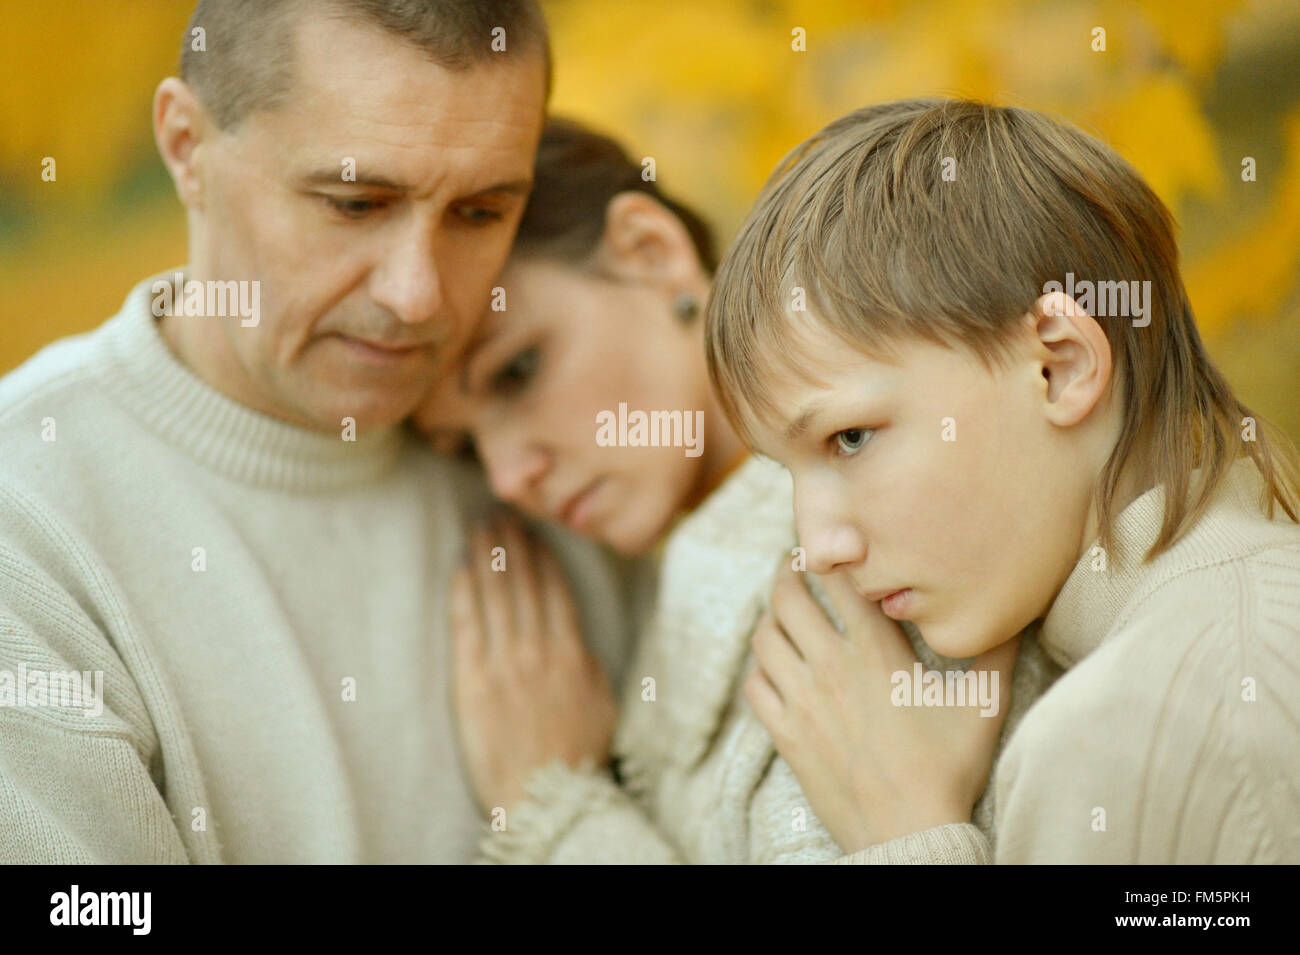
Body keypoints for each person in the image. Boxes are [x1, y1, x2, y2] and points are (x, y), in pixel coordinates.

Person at [0, 0, 635, 864]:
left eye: (481, 213)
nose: (418, 296)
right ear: (186, 146)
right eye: (354, 203)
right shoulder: (28, 522)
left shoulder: (553, 463)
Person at [413, 115, 1059, 863]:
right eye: (462, 446)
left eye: (517, 370)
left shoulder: (872, 557)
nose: (507, 474)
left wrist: (556, 813)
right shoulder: (689, 592)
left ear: (650, 253)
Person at [703, 97, 1300, 863]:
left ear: (1060, 366)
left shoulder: (1141, 727)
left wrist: (908, 835)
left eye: (850, 436)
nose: (817, 546)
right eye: (790, 472)